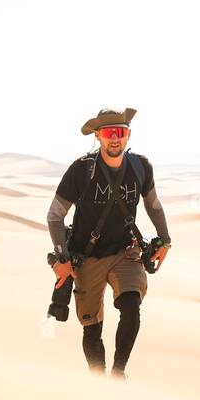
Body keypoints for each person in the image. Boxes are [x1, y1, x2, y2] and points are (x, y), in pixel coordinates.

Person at [46, 107, 171, 378]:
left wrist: (166, 240)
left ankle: (118, 374)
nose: (115, 138)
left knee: (131, 308)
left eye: (120, 132)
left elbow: (154, 205)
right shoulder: (81, 170)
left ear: (128, 135)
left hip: (125, 252)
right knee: (92, 328)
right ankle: (98, 382)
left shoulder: (140, 167)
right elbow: (55, 215)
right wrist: (63, 259)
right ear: (98, 136)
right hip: (87, 256)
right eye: (108, 133)